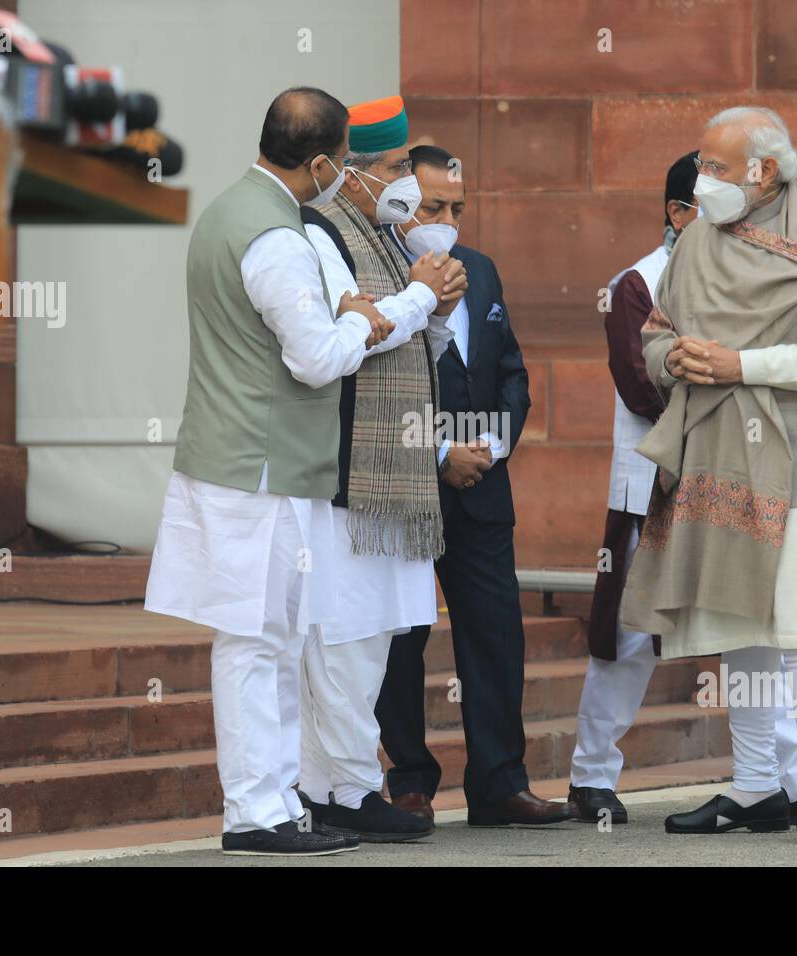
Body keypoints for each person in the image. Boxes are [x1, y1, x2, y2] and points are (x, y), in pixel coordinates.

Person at [143, 87, 392, 857]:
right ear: (320, 161)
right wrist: (361, 315)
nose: (343, 173)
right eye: (343, 161)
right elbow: (316, 360)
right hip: (263, 468)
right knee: (260, 644)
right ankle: (258, 814)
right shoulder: (278, 237)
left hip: (243, 462)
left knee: (265, 642)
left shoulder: (227, 209)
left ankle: (274, 803)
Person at [623, 106, 797, 846]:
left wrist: (745, 365)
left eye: (717, 167)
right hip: (717, 455)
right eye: (703, 165)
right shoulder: (697, 241)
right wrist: (672, 361)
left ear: (764, 172)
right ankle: (758, 785)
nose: (703, 180)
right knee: (741, 625)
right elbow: (656, 335)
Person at [375, 145, 572, 827]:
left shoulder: (482, 270)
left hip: (482, 489)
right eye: (433, 208)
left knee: (495, 634)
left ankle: (498, 782)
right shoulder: (374, 273)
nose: (448, 222)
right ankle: (409, 780)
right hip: (405, 484)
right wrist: (436, 455)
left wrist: (486, 446)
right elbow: (364, 390)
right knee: (401, 635)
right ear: (401, 205)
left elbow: (509, 371)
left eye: (457, 208)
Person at [293, 96, 467, 842]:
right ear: (355, 173)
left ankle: (338, 784)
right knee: (346, 636)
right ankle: (345, 788)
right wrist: (423, 294)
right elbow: (349, 334)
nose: (405, 179)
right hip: (351, 465)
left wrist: (430, 306)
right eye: (396, 166)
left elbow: (399, 331)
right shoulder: (322, 232)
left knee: (377, 634)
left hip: (396, 472)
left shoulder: (386, 234)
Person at [566, 151, 697, 824]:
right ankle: (592, 777)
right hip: (653, 484)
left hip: (730, 479)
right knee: (627, 634)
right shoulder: (638, 284)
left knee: (761, 628)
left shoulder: (746, 279)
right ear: (678, 212)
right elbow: (641, 383)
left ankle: (792, 778)